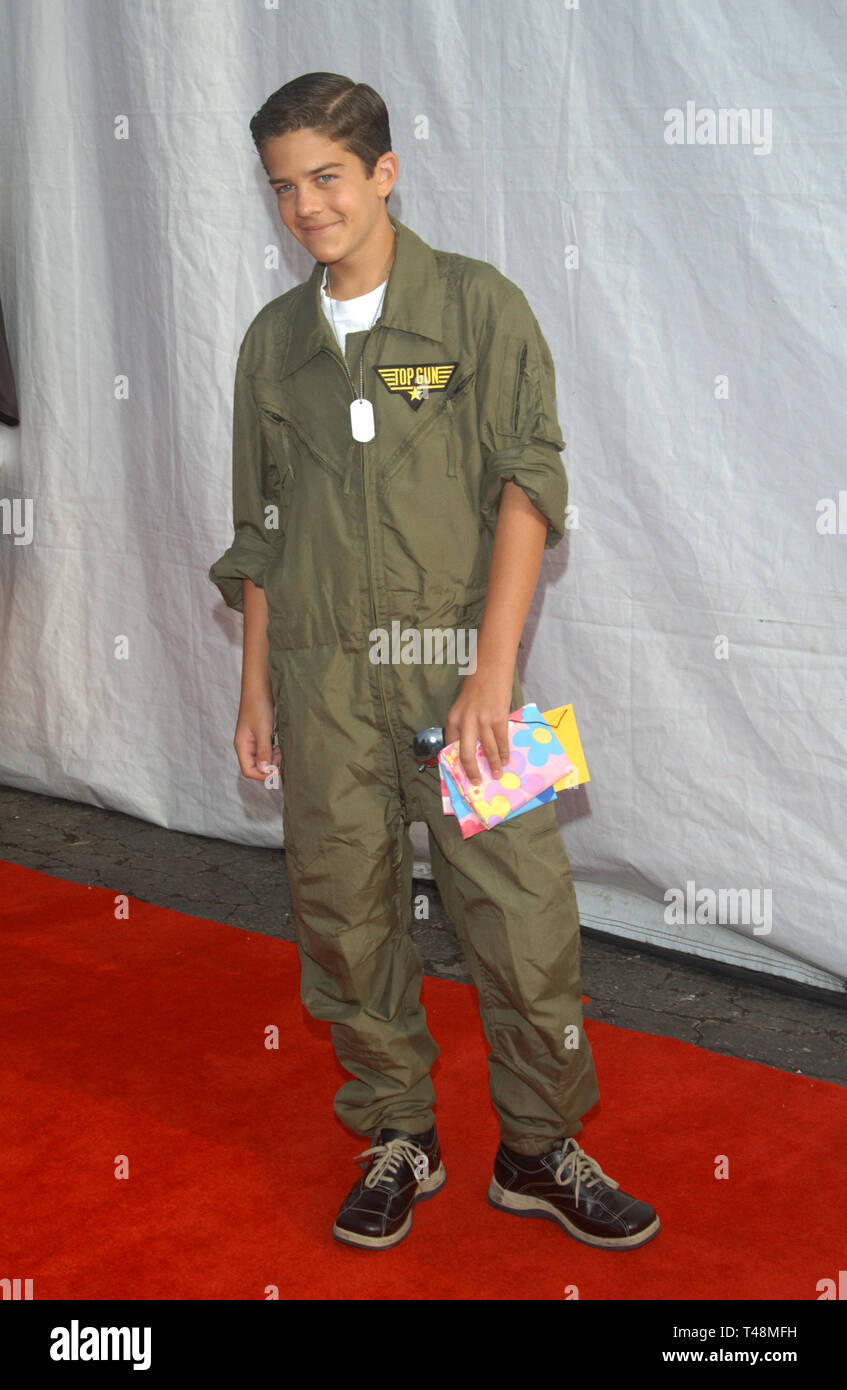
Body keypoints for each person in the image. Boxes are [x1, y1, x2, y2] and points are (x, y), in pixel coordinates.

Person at [209, 72, 660, 1253]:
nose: (306, 206)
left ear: (383, 173)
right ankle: (399, 1133)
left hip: (467, 673)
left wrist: (493, 667)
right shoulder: (274, 345)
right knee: (347, 921)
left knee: (522, 922)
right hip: (318, 682)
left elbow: (529, 483)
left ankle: (538, 1148)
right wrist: (256, 685)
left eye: (327, 177)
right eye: (284, 187)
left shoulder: (476, 309)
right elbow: (259, 528)